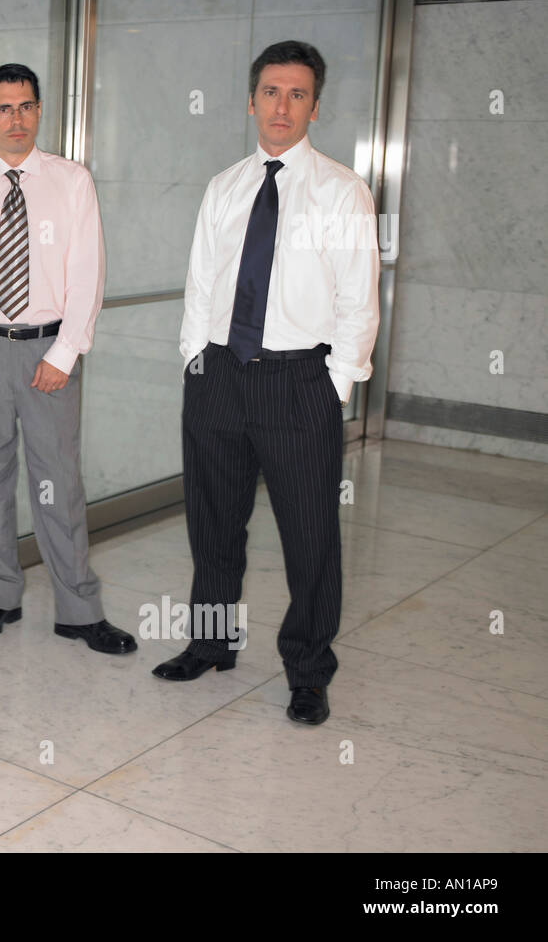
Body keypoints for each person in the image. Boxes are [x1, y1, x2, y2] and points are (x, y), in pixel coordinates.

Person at [156, 40, 380, 725]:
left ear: (315, 106)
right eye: (272, 92)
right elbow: (201, 282)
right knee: (214, 526)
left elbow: (359, 300)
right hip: (218, 378)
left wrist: (333, 386)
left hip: (297, 382)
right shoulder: (225, 186)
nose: (282, 106)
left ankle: (309, 672)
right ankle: (212, 642)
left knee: (310, 537)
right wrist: (197, 361)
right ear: (252, 99)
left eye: (298, 94)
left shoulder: (342, 191)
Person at [0, 63, 136, 654]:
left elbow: (87, 273)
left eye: (26, 106)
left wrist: (66, 351)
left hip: (49, 349)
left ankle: (78, 608)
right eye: (3, 108)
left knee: (58, 480)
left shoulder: (72, 182)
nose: (15, 119)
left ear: (39, 112)